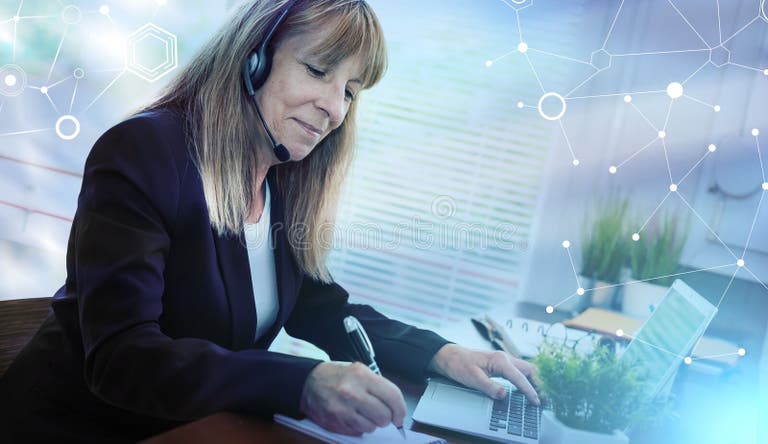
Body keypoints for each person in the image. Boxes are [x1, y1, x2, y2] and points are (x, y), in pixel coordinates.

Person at [0, 0, 539, 442]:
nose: (334, 108)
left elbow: (322, 309)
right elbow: (123, 356)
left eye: (349, 91)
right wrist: (300, 383)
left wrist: (440, 354)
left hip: (198, 430)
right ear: (253, 59)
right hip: (76, 430)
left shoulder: (279, 176)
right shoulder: (146, 153)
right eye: (318, 70)